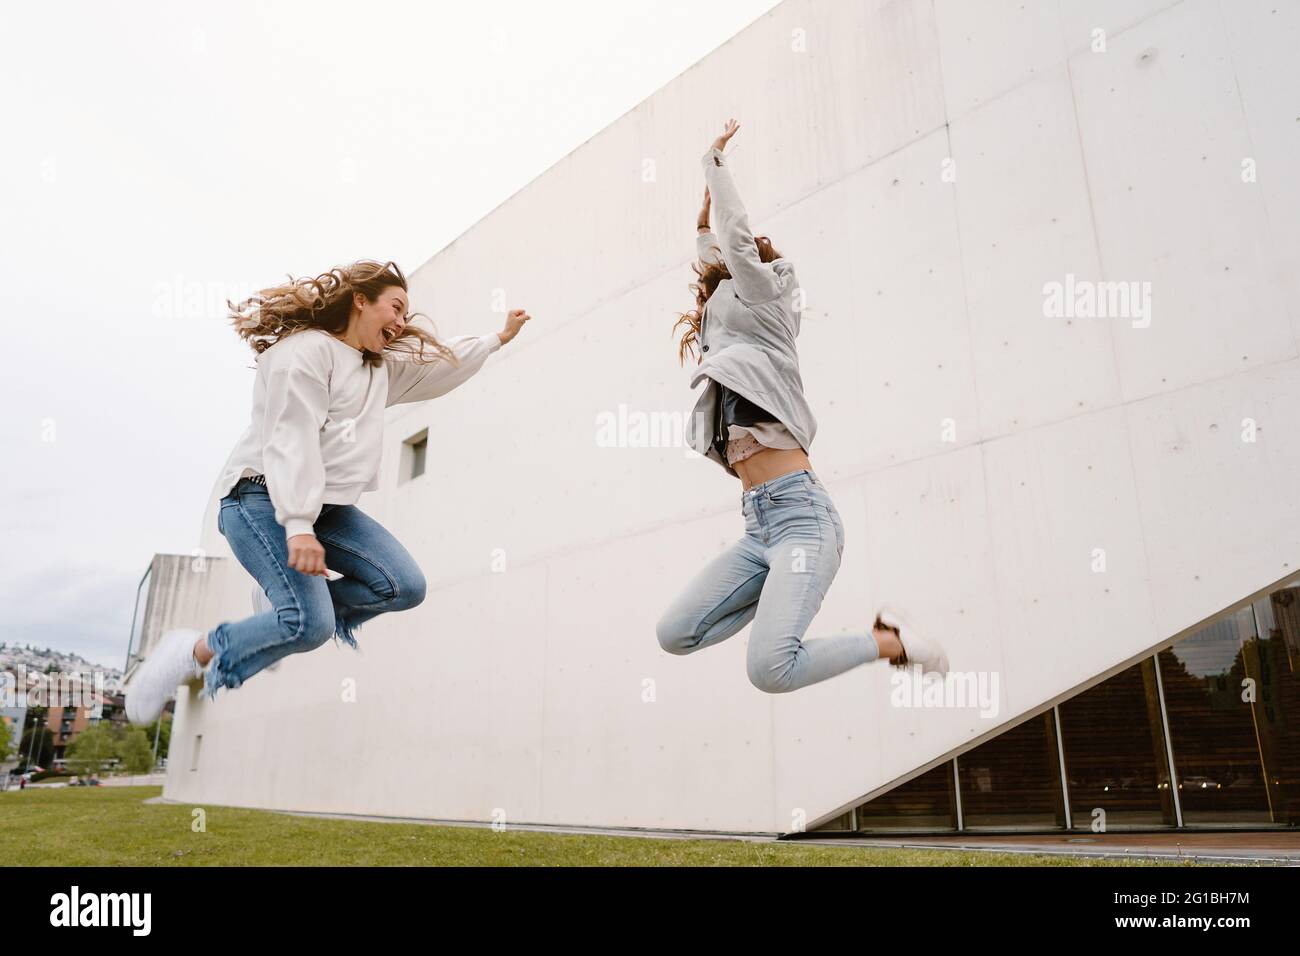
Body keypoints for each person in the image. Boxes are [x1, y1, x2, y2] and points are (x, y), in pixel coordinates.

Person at [125, 260, 529, 725]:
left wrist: (497, 339)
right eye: (395, 308)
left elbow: (435, 368)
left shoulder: (376, 370)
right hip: (260, 500)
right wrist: (297, 527)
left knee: (403, 585)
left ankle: (283, 608)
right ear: (361, 300)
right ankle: (194, 649)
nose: (401, 322)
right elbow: (290, 438)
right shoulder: (305, 353)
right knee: (309, 626)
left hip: (325, 510)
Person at [656, 120, 948, 693]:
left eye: (767, 252)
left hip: (802, 519)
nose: (759, 248)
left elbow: (737, 239)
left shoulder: (768, 304)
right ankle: (778, 603)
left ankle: (890, 641)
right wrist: (698, 228)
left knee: (770, 669)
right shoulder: (729, 326)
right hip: (757, 526)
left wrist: (714, 161)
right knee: (676, 631)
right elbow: (715, 265)